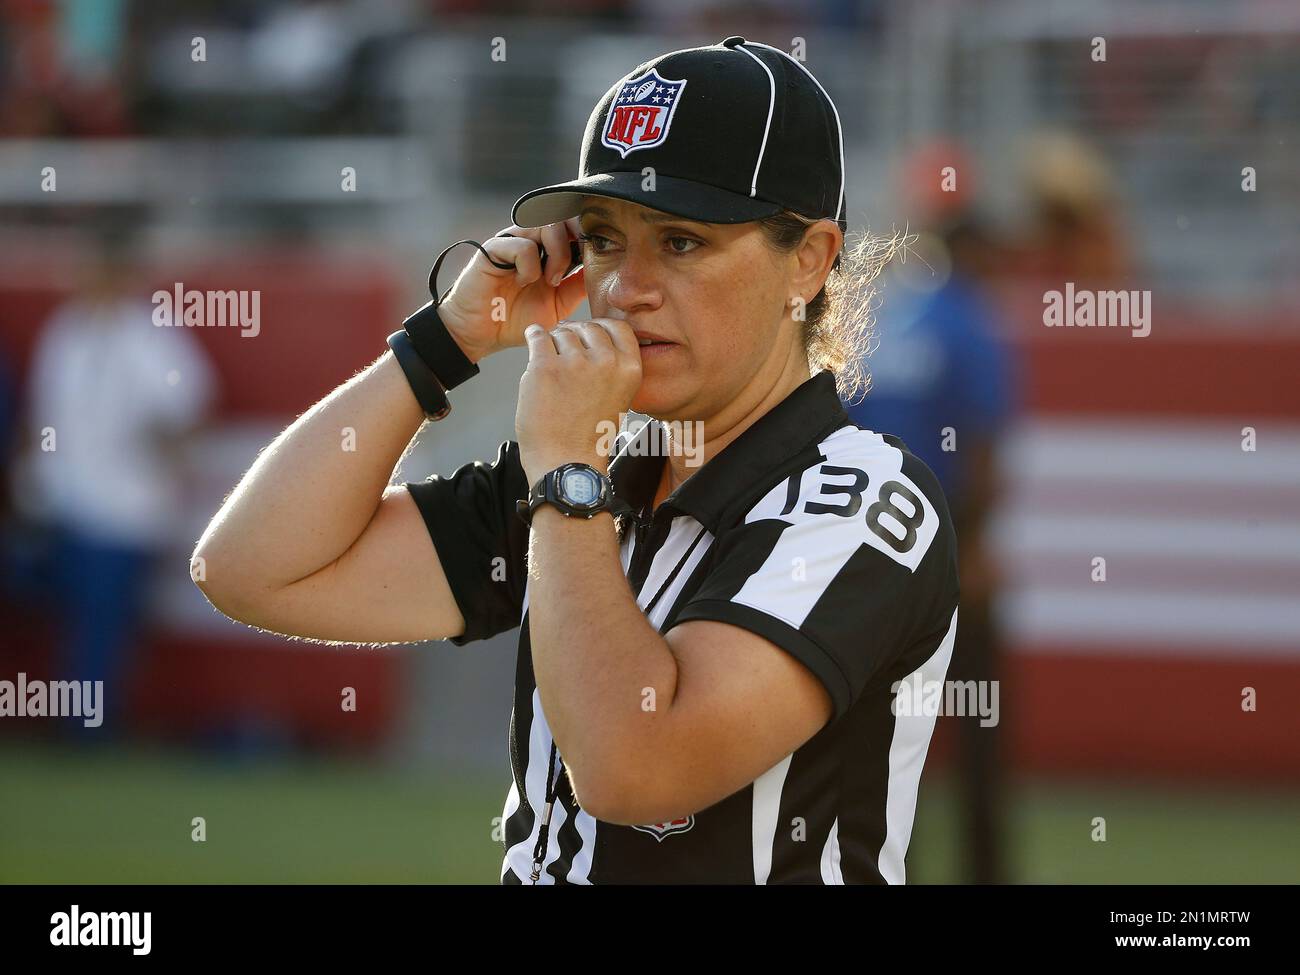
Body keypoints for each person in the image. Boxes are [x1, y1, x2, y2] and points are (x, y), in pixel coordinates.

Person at [193, 36, 959, 884]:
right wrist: (444, 343)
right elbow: (249, 568)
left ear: (808, 262)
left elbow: (634, 768)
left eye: (681, 243)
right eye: (601, 239)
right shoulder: (597, 482)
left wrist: (567, 476)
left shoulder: (859, 501)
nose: (626, 289)